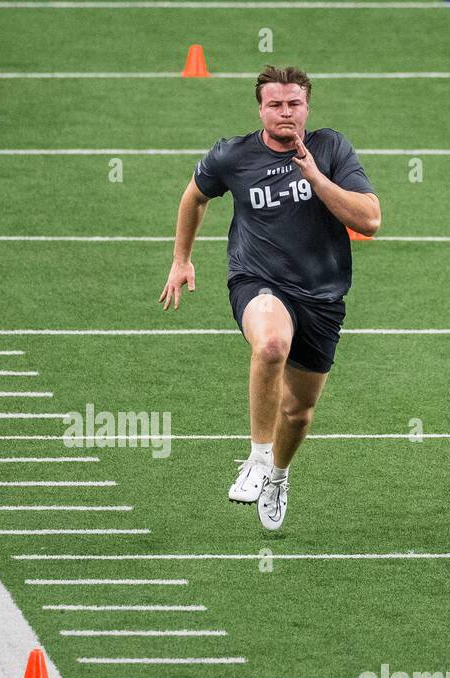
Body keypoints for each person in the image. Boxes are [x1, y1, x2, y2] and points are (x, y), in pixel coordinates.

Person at [158, 64, 381, 530]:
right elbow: (194, 197)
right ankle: (258, 457)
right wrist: (182, 259)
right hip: (257, 279)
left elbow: (370, 221)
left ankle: (278, 474)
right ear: (260, 109)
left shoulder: (331, 148)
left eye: (294, 104)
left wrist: (317, 178)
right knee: (272, 344)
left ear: (307, 108)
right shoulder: (232, 156)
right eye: (275, 105)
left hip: (322, 295)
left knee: (298, 413)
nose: (285, 113)